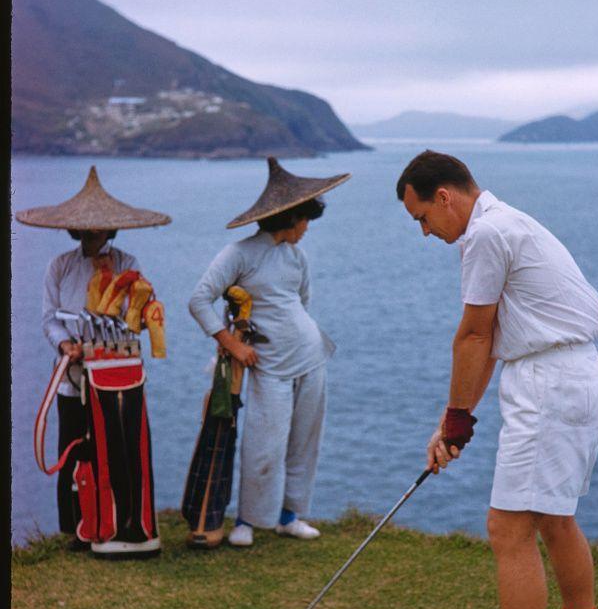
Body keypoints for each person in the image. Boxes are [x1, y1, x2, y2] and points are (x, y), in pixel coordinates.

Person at [396, 150, 598, 609]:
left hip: (549, 384)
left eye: (422, 217)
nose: (425, 232)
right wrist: (456, 421)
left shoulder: (486, 235)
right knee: (554, 517)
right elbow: (488, 340)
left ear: (445, 197)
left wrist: (456, 419)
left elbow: (472, 335)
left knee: (508, 527)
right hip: (577, 374)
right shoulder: (507, 222)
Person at [188, 156, 350, 548]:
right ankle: (247, 519)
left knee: (304, 442)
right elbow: (199, 300)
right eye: (305, 220)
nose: (307, 228)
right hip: (269, 364)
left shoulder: (296, 256)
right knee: (264, 444)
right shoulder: (239, 253)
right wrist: (232, 344)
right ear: (290, 217)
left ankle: (289, 516)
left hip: (311, 358)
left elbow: (302, 303)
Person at [17, 165, 171, 551]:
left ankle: (119, 520)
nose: (92, 235)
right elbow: (50, 319)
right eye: (86, 229)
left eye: (99, 229)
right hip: (72, 374)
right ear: (76, 230)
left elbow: (134, 316)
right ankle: (75, 527)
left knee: (117, 446)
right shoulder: (60, 266)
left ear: (110, 229)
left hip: (114, 372)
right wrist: (65, 346)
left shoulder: (127, 264)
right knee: (73, 446)